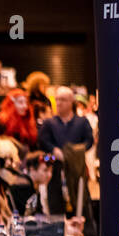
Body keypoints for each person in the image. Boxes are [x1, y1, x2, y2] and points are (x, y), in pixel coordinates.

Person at [36, 85, 93, 215]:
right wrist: (54, 150)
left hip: (76, 170)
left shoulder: (82, 122)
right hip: (56, 170)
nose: (59, 103)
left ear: (71, 101)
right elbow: (42, 142)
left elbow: (88, 141)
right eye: (57, 99)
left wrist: (75, 151)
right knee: (56, 205)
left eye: (63, 100)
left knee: (80, 203)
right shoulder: (49, 123)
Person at [0, 87, 38, 153]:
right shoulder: (2, 123)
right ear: (11, 104)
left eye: (25, 102)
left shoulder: (28, 122)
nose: (25, 106)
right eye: (20, 102)